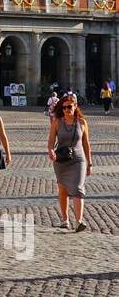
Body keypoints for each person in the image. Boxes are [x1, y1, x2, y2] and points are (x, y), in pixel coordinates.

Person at [48, 92, 92, 232]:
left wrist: (89, 163)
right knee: (63, 189)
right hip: (61, 159)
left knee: (78, 187)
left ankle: (79, 221)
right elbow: (51, 141)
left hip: (78, 159)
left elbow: (86, 143)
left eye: (70, 107)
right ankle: (65, 219)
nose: (67, 109)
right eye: (65, 107)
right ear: (62, 108)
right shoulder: (57, 122)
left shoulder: (82, 123)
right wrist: (51, 151)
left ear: (75, 106)